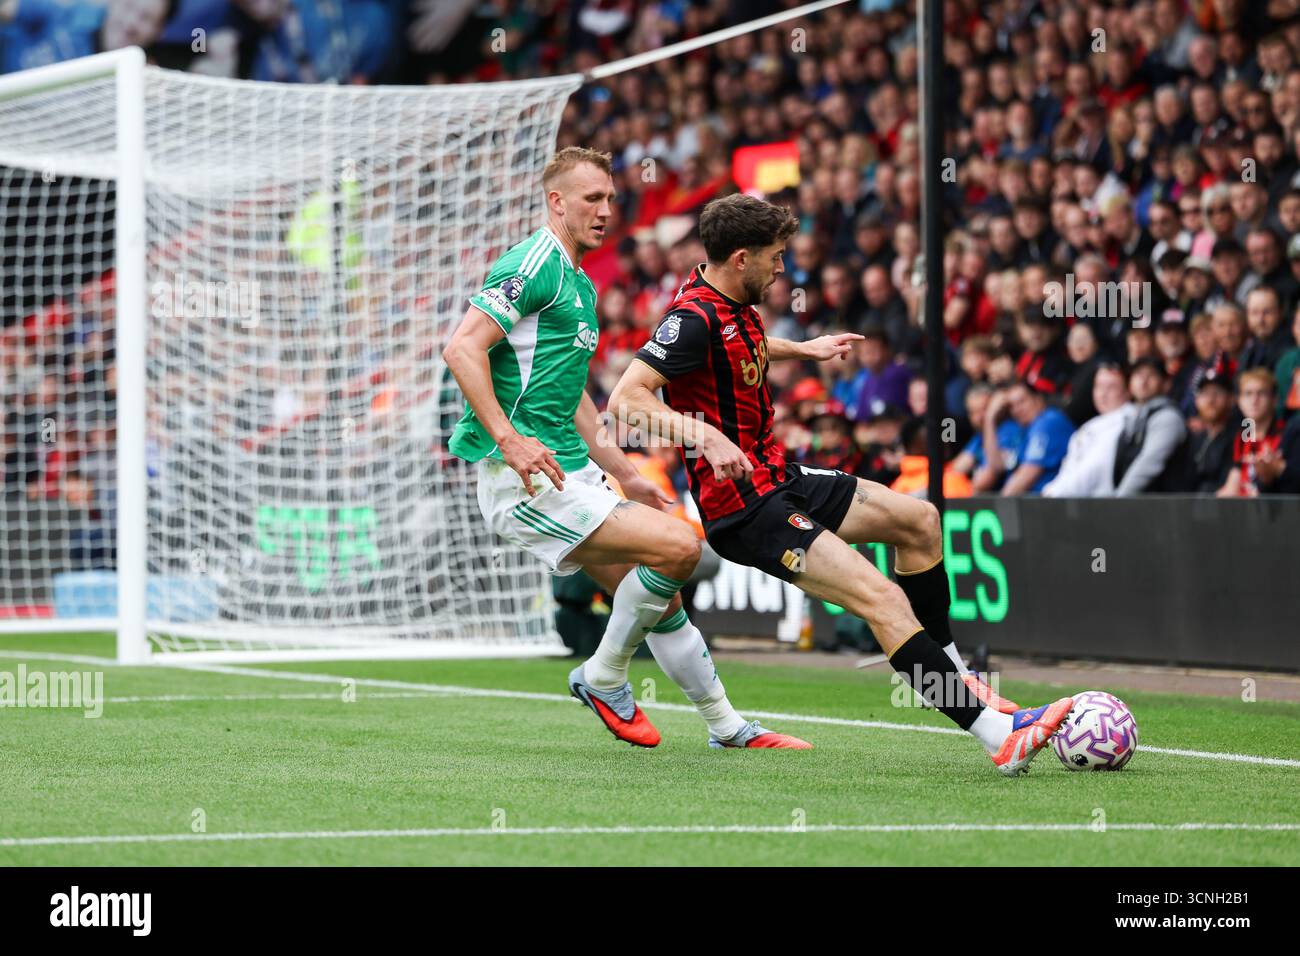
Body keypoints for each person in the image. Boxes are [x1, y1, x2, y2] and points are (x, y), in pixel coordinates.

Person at [610, 194, 1073, 776]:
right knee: (882, 598)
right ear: (740, 257)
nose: (784, 269)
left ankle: (960, 677)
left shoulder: (733, 299)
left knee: (920, 521)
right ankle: (996, 735)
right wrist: (702, 436)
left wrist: (802, 349)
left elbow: (739, 347)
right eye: (776, 257)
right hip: (745, 508)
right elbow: (626, 398)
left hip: (781, 475)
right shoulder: (689, 319)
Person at [443, 148, 807, 751]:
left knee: (659, 600)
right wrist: (509, 441)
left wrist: (624, 472)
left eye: (611, 198)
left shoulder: (580, 282)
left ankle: (726, 728)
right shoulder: (533, 264)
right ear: (555, 201)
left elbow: (573, 394)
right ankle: (603, 675)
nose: (606, 210)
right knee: (678, 548)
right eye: (592, 198)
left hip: (573, 470)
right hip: (526, 480)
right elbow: (462, 349)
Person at [1043, 363, 1130, 496]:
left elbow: (1093, 469)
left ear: (1127, 391)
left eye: (1111, 387)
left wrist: (1053, 494)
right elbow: (1068, 469)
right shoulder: (1090, 426)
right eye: (1099, 386)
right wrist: (1050, 491)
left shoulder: (1128, 421)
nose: (1103, 394)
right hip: (1070, 502)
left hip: (1100, 506)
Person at [983, 380, 1075, 496]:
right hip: (1030, 505)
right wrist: (989, 418)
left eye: (1022, 402)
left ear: (1038, 399)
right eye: (1011, 406)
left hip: (1050, 505)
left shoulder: (1048, 422)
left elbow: (1027, 475)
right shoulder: (1022, 430)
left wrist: (1001, 507)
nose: (1017, 410)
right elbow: (997, 466)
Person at [1113, 356, 1188, 494]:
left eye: (1151, 375)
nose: (1143, 381)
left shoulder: (1168, 417)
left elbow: (1149, 465)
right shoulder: (1130, 417)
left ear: (1166, 384)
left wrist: (1117, 502)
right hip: (1136, 505)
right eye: (1138, 375)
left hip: (1164, 507)